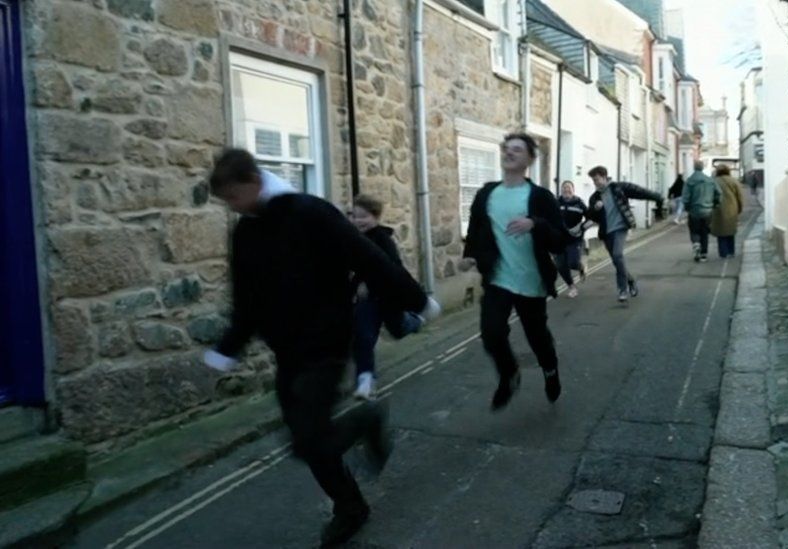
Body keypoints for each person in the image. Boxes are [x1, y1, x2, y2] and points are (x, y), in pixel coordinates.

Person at [202, 149, 439, 547]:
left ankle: (365, 421)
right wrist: (229, 347)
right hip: (287, 350)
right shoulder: (245, 232)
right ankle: (351, 506)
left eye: (233, 197)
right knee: (303, 440)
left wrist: (415, 300)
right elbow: (246, 298)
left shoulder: (309, 212)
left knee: (310, 436)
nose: (232, 206)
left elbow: (370, 259)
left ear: (253, 181)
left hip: (327, 343)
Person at [460, 133, 570, 411]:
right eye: (506, 148)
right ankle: (509, 374)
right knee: (491, 333)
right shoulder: (487, 194)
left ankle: (550, 368)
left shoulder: (540, 197)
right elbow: (476, 227)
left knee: (537, 336)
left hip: (531, 280)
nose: (509, 153)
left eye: (517, 150)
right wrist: (470, 255)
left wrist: (535, 223)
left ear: (529, 159)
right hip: (498, 278)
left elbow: (560, 239)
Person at [349, 194, 430, 399]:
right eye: (355, 216)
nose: (359, 221)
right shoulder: (352, 239)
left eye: (364, 216)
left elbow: (392, 270)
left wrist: (369, 283)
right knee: (363, 336)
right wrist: (356, 285)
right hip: (368, 302)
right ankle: (366, 379)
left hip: (388, 297)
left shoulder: (383, 240)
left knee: (398, 330)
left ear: (376, 217)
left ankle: (414, 321)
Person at [584, 166, 664, 303]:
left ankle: (622, 290)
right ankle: (630, 281)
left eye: (596, 179)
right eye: (593, 180)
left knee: (617, 255)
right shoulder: (594, 197)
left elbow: (638, 191)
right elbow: (591, 216)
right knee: (617, 261)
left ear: (604, 177)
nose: (595, 183)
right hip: (606, 232)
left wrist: (657, 197)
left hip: (620, 228)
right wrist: (595, 209)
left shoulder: (618, 188)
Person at [682, 160, 722, 262]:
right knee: (705, 232)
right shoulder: (710, 180)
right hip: (707, 210)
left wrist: (687, 207)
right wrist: (715, 204)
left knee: (694, 230)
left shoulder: (689, 181)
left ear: (694, 167)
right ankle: (704, 254)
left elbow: (685, 197)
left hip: (694, 210)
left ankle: (696, 243)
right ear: (702, 168)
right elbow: (719, 193)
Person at [555, 181, 588, 298]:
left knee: (572, 263)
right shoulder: (556, 202)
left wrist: (580, 227)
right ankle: (572, 287)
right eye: (564, 188)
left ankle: (581, 267)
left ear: (573, 190)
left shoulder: (579, 203)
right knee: (560, 265)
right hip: (558, 239)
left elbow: (590, 218)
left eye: (568, 188)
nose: (566, 190)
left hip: (574, 239)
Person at [710, 164, 745, 259]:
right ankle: (731, 251)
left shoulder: (714, 181)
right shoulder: (733, 181)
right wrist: (740, 208)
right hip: (732, 208)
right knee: (730, 231)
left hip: (718, 209)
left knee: (721, 232)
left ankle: (723, 253)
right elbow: (739, 196)